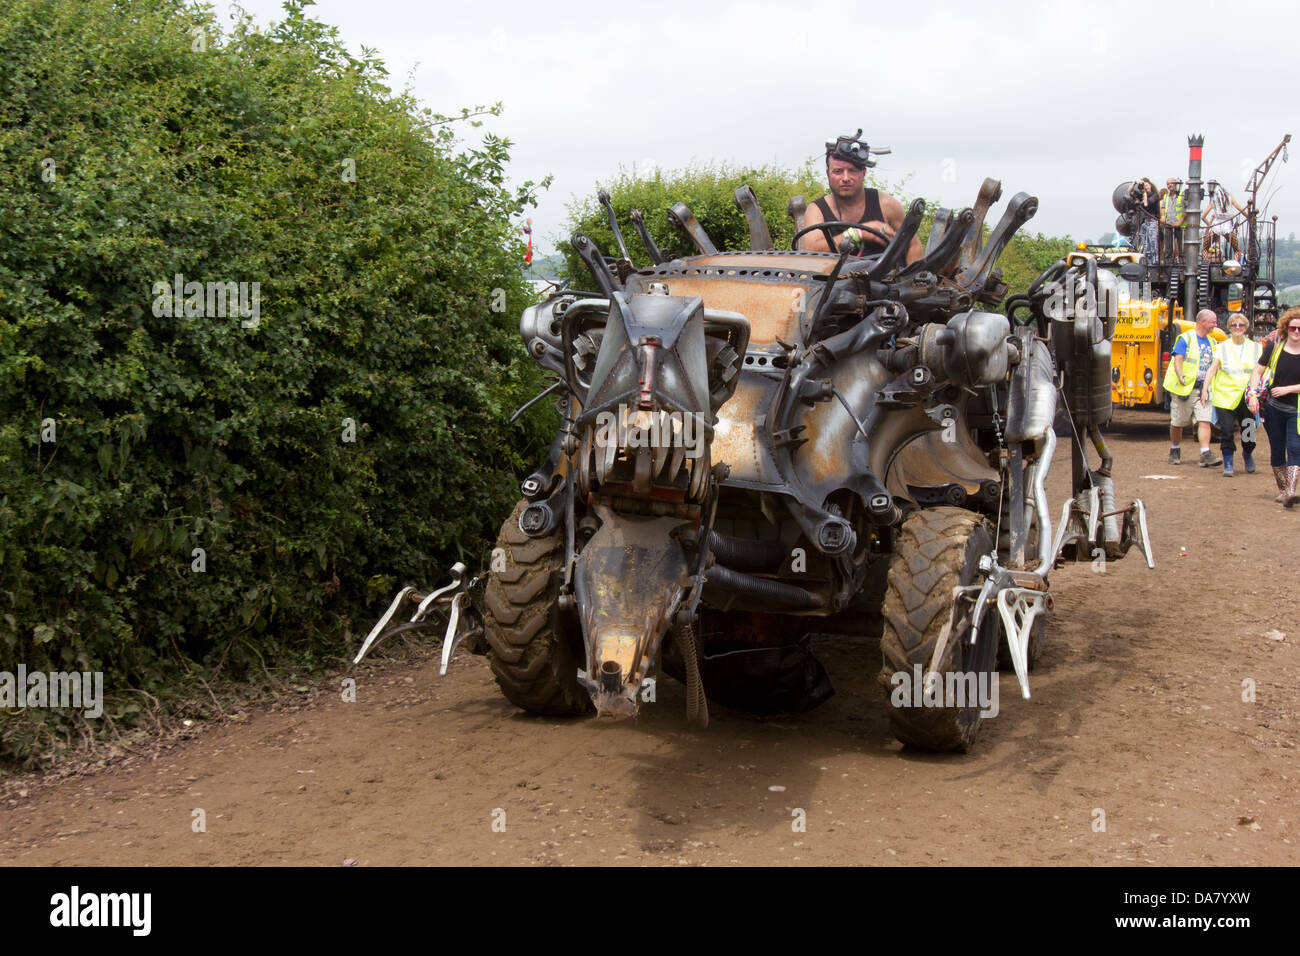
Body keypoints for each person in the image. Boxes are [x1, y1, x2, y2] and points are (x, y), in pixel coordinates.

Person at [801, 131, 923, 264]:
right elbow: (812, 251)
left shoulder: (886, 205)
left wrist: (911, 280)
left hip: (886, 280)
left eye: (852, 171)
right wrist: (857, 233)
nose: (846, 178)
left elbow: (913, 245)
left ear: (863, 173)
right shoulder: (817, 210)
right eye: (838, 171)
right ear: (828, 174)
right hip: (837, 282)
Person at [1246, 306, 1300, 506]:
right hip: (1274, 408)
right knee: (1277, 450)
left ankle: (1292, 491)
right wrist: (1252, 393)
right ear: (1285, 328)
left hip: (1297, 411)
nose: (1296, 332)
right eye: (1293, 328)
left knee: (1295, 449)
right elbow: (1256, 372)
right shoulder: (1274, 348)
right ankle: (1284, 490)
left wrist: (1289, 389)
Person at [1201, 312, 1261, 476]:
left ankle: (1248, 453)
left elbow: (1262, 371)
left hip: (1246, 396)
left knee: (1249, 430)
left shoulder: (1256, 347)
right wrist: (1205, 389)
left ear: (1246, 327)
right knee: (1226, 430)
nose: (1237, 328)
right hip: (1225, 395)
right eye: (1234, 325)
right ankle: (1228, 463)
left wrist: (1257, 392)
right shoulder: (1222, 347)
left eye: (1241, 325)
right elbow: (1212, 369)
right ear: (1229, 327)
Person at [1163, 309, 1221, 466]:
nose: (1215, 325)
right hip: (1185, 389)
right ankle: (1175, 449)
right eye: (1212, 322)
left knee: (1204, 420)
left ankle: (1205, 453)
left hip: (1204, 389)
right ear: (1202, 322)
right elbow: (1178, 359)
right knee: (1178, 422)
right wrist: (1180, 373)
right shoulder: (1186, 338)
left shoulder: (1213, 342)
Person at [1201, 186, 1246, 261]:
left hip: (1216, 226)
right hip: (1227, 226)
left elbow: (1203, 217)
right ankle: (1234, 266)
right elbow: (1241, 210)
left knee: (1204, 249)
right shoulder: (1230, 199)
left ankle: (1206, 263)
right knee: (1237, 250)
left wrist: (1210, 225)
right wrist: (1249, 217)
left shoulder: (1213, 201)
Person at [1130, 178, 1161, 261]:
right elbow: (1130, 192)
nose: (1146, 187)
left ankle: (1155, 261)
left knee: (1153, 242)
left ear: (1150, 185)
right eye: (1144, 186)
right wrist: (1134, 183)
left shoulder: (1155, 195)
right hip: (1145, 222)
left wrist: (1144, 193)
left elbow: (1146, 204)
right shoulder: (1142, 195)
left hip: (1153, 220)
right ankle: (1147, 260)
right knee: (1145, 243)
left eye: (1147, 185)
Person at [1159, 177, 1185, 263]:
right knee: (1168, 249)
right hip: (1168, 224)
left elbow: (1187, 210)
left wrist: (1180, 222)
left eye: (1172, 183)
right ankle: (1168, 268)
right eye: (1168, 184)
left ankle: (1181, 266)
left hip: (1180, 225)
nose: (1170, 185)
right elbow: (1163, 208)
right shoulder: (1166, 197)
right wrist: (1163, 217)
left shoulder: (1182, 195)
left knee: (1181, 248)